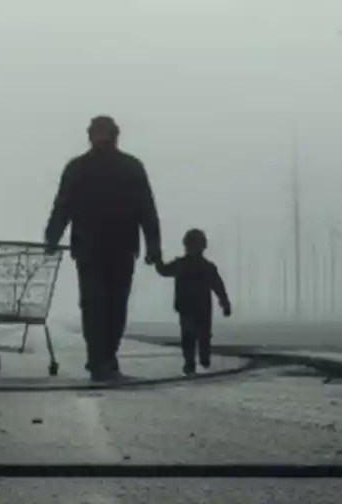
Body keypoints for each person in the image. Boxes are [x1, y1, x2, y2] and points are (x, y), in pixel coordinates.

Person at [44, 115, 162, 382]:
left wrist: (52, 237)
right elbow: (63, 206)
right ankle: (101, 362)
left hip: (106, 249)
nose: (100, 139)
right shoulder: (125, 167)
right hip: (103, 249)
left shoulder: (83, 168)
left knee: (105, 307)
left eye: (102, 133)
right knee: (101, 306)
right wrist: (52, 237)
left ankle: (104, 360)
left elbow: (146, 208)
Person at [154, 228, 231, 376]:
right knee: (197, 335)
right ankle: (198, 360)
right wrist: (225, 304)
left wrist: (157, 259)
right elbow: (218, 287)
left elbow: (163, 270)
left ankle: (195, 361)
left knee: (194, 336)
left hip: (189, 307)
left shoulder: (184, 265)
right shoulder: (205, 266)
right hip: (196, 307)